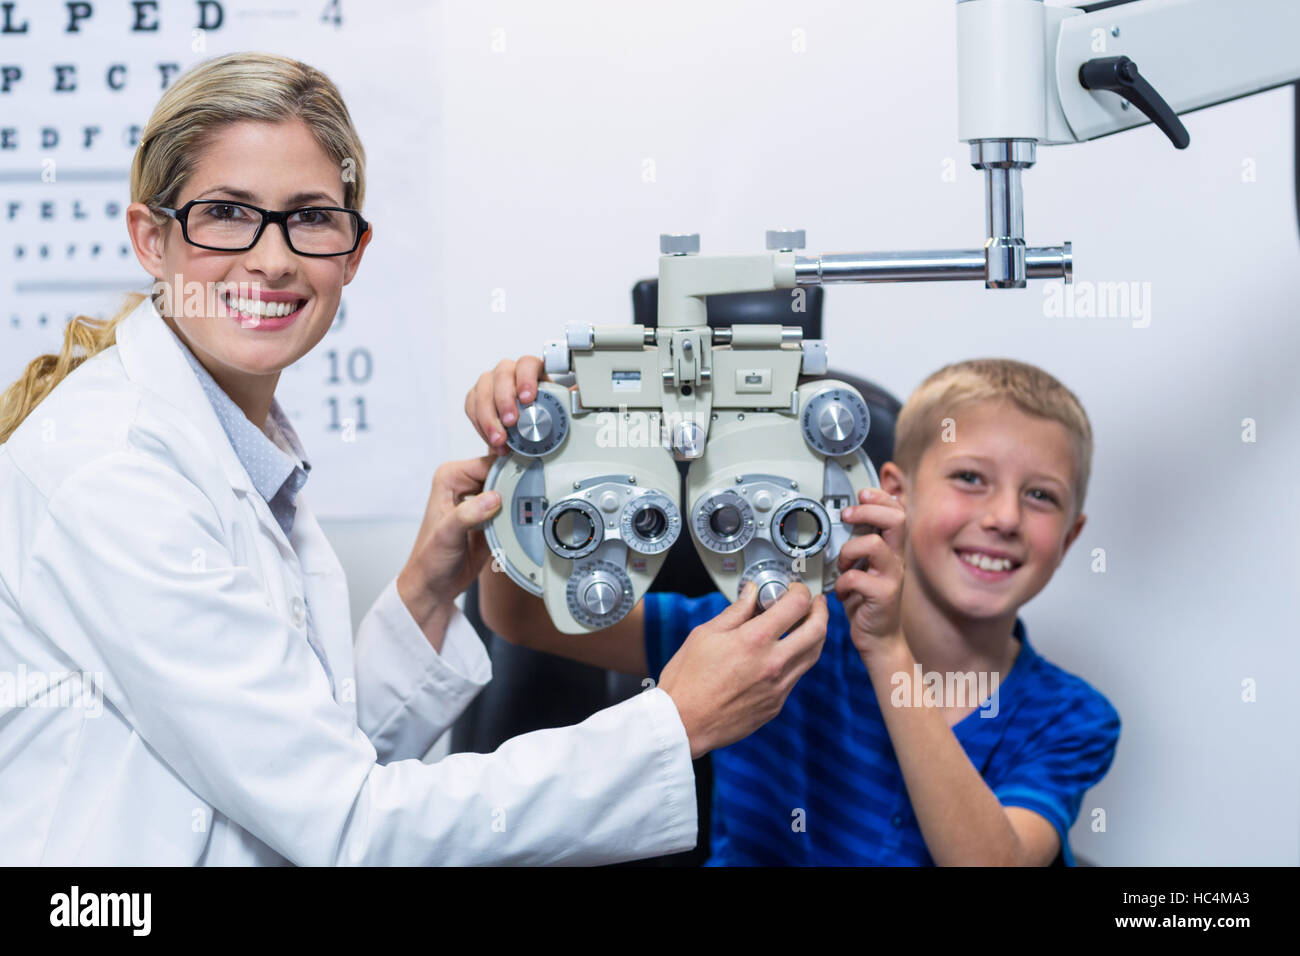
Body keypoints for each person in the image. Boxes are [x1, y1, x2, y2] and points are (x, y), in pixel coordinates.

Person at [0, 52, 833, 866]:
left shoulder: (237, 445)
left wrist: (427, 594)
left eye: (310, 216)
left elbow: (307, 761)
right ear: (153, 238)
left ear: (353, 252)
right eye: (227, 212)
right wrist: (673, 724)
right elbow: (347, 826)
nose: (272, 257)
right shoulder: (114, 471)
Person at [469, 355, 1122, 865]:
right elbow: (519, 621)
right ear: (890, 491)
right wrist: (523, 468)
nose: (1003, 517)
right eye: (970, 479)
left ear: (1069, 537)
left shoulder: (1072, 718)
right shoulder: (777, 630)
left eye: (1039, 496)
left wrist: (888, 652)